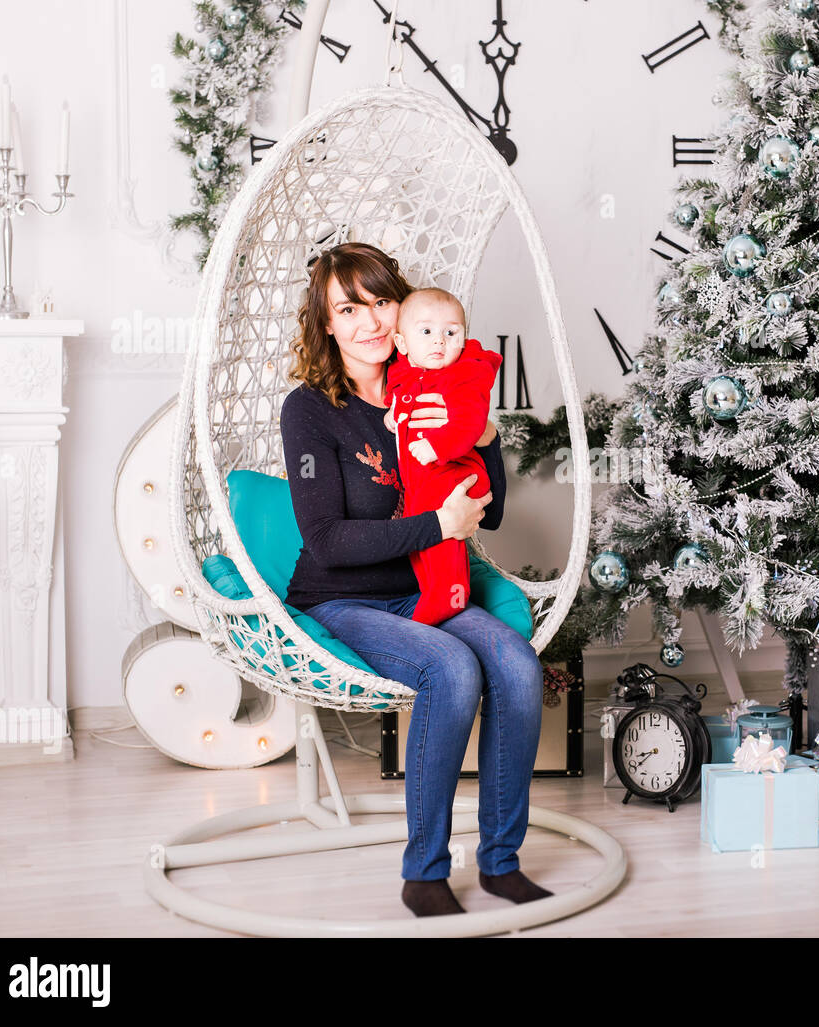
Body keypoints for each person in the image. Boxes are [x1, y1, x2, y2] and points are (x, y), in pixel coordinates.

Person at [278, 242, 551, 917]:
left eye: (381, 302)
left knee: (516, 663)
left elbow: (493, 509)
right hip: (340, 597)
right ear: (327, 324)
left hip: (429, 585)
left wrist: (485, 438)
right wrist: (437, 523)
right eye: (349, 308)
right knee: (452, 669)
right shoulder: (310, 411)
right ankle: (425, 870)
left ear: (403, 311)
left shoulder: (436, 383)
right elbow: (327, 540)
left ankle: (500, 861)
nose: (369, 322)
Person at [382, 287, 503, 626]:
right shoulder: (406, 371)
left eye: (451, 333)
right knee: (424, 551)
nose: (439, 342)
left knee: (444, 546)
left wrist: (438, 446)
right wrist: (393, 414)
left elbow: (470, 420)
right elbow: (402, 394)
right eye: (427, 332)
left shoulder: (464, 376)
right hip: (425, 482)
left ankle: (450, 597)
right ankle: (433, 594)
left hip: (454, 475)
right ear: (403, 344)